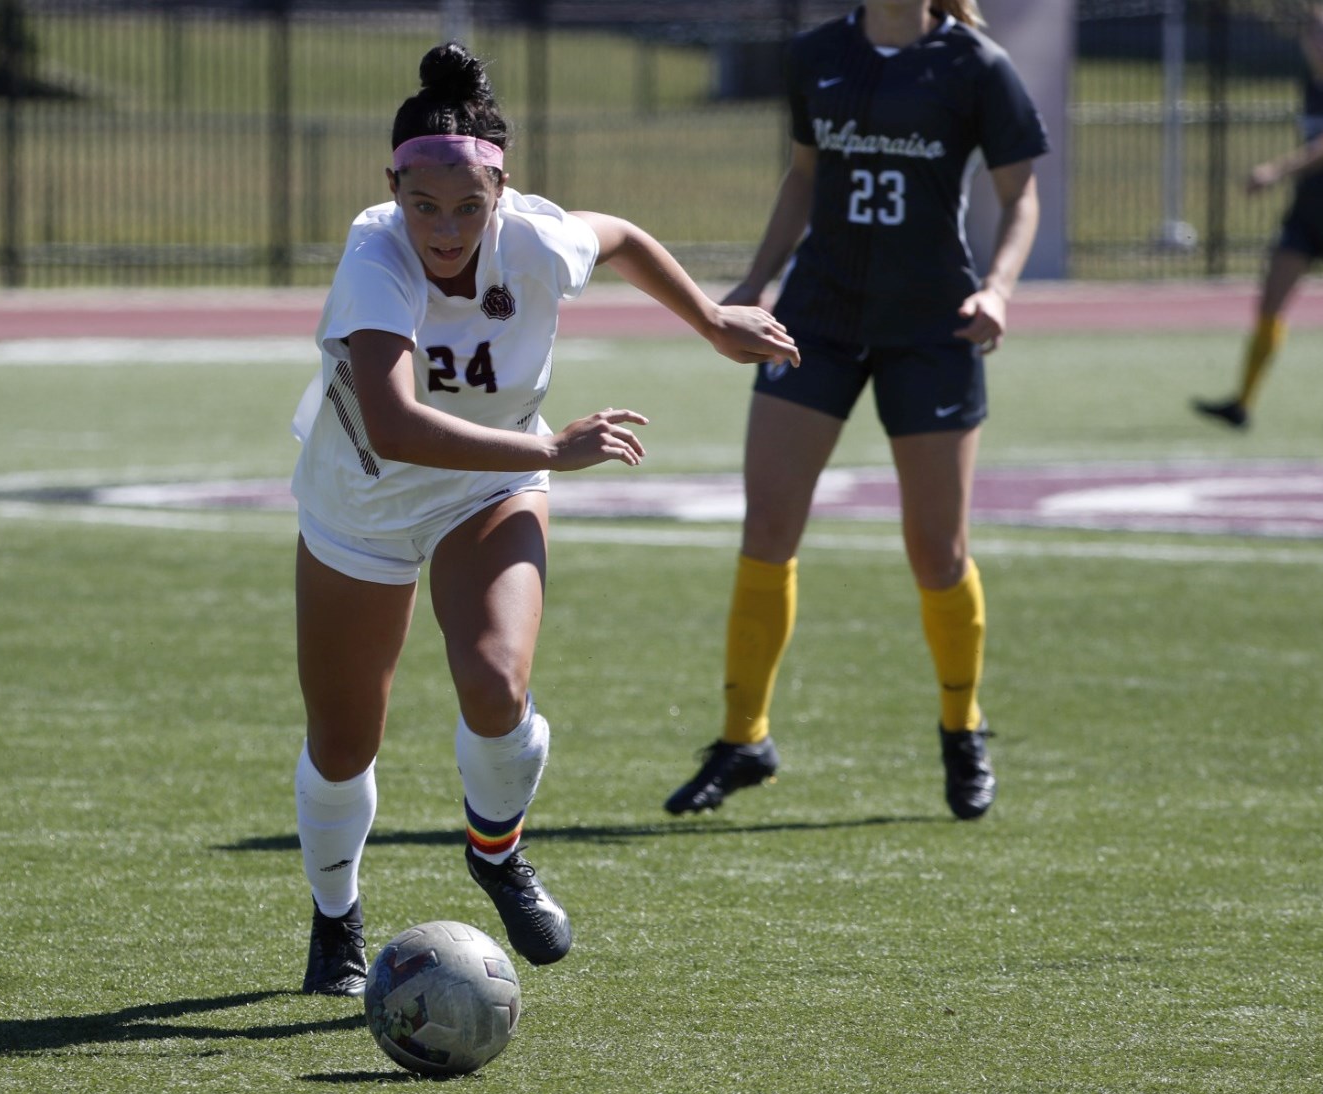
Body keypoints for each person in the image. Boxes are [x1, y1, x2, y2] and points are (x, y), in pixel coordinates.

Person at [292, 43, 800, 996]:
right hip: (360, 497)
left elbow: (622, 237)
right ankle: (335, 920)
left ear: (502, 191)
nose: (444, 229)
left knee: (493, 681)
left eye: (467, 207)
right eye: (423, 205)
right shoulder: (375, 253)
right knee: (342, 742)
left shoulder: (535, 239)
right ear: (391, 186)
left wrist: (713, 320)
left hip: (489, 485)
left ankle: (497, 852)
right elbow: (395, 426)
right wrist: (551, 453)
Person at [662, 0, 1046, 822]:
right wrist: (755, 280)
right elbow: (805, 176)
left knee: (937, 552)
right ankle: (743, 739)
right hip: (821, 319)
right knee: (767, 525)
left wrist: (1000, 290)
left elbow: (1022, 197)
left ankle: (961, 728)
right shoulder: (817, 55)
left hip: (932, 328)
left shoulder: (975, 65)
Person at [1194, 3, 1323, 433]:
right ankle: (1241, 404)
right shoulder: (1310, 83)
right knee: (1270, 303)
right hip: (1306, 211)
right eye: (1314, 33)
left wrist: (1277, 170)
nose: (1321, 41)